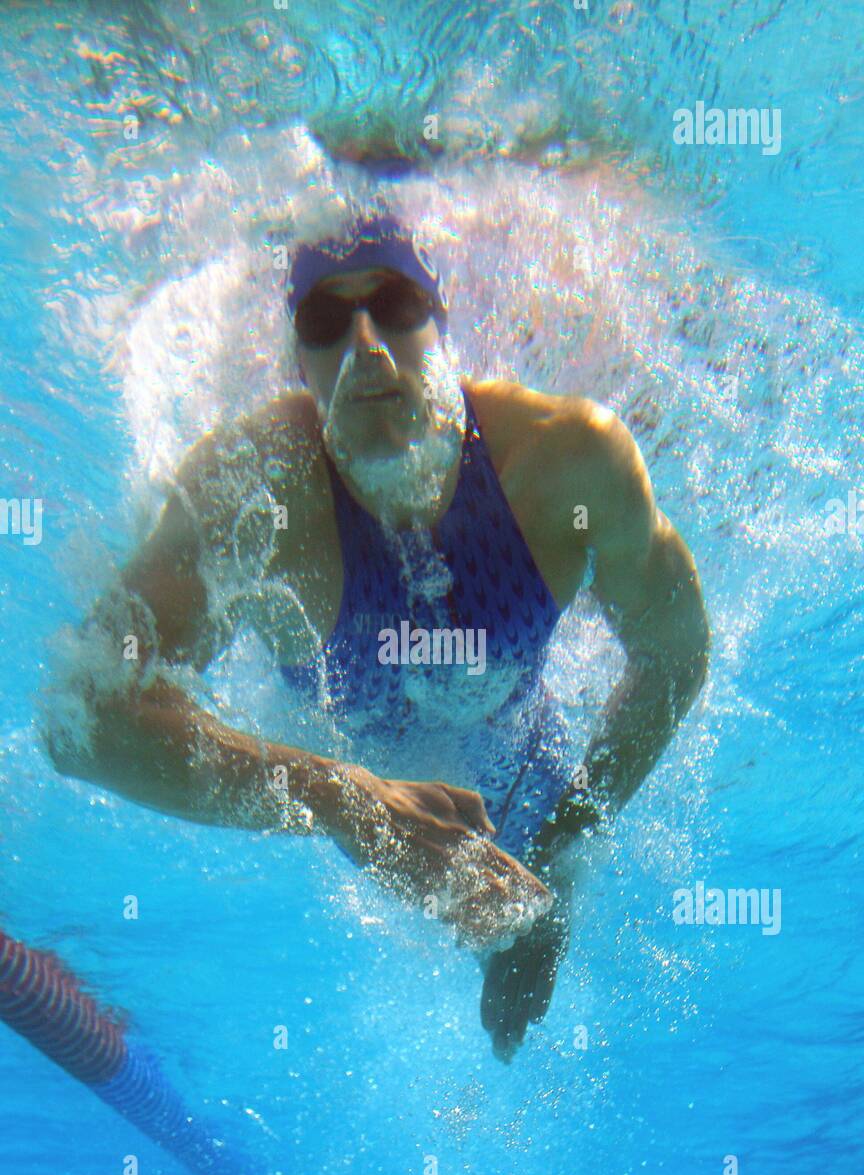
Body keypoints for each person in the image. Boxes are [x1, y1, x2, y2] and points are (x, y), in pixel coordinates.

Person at [46, 207, 710, 1062]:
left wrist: (565, 850)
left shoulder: (567, 460)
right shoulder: (256, 491)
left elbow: (675, 656)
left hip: (533, 786)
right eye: (325, 322)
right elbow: (81, 715)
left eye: (394, 305)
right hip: (358, 804)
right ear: (299, 359)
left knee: (542, 1020)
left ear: (441, 323)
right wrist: (346, 801)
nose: (364, 345)